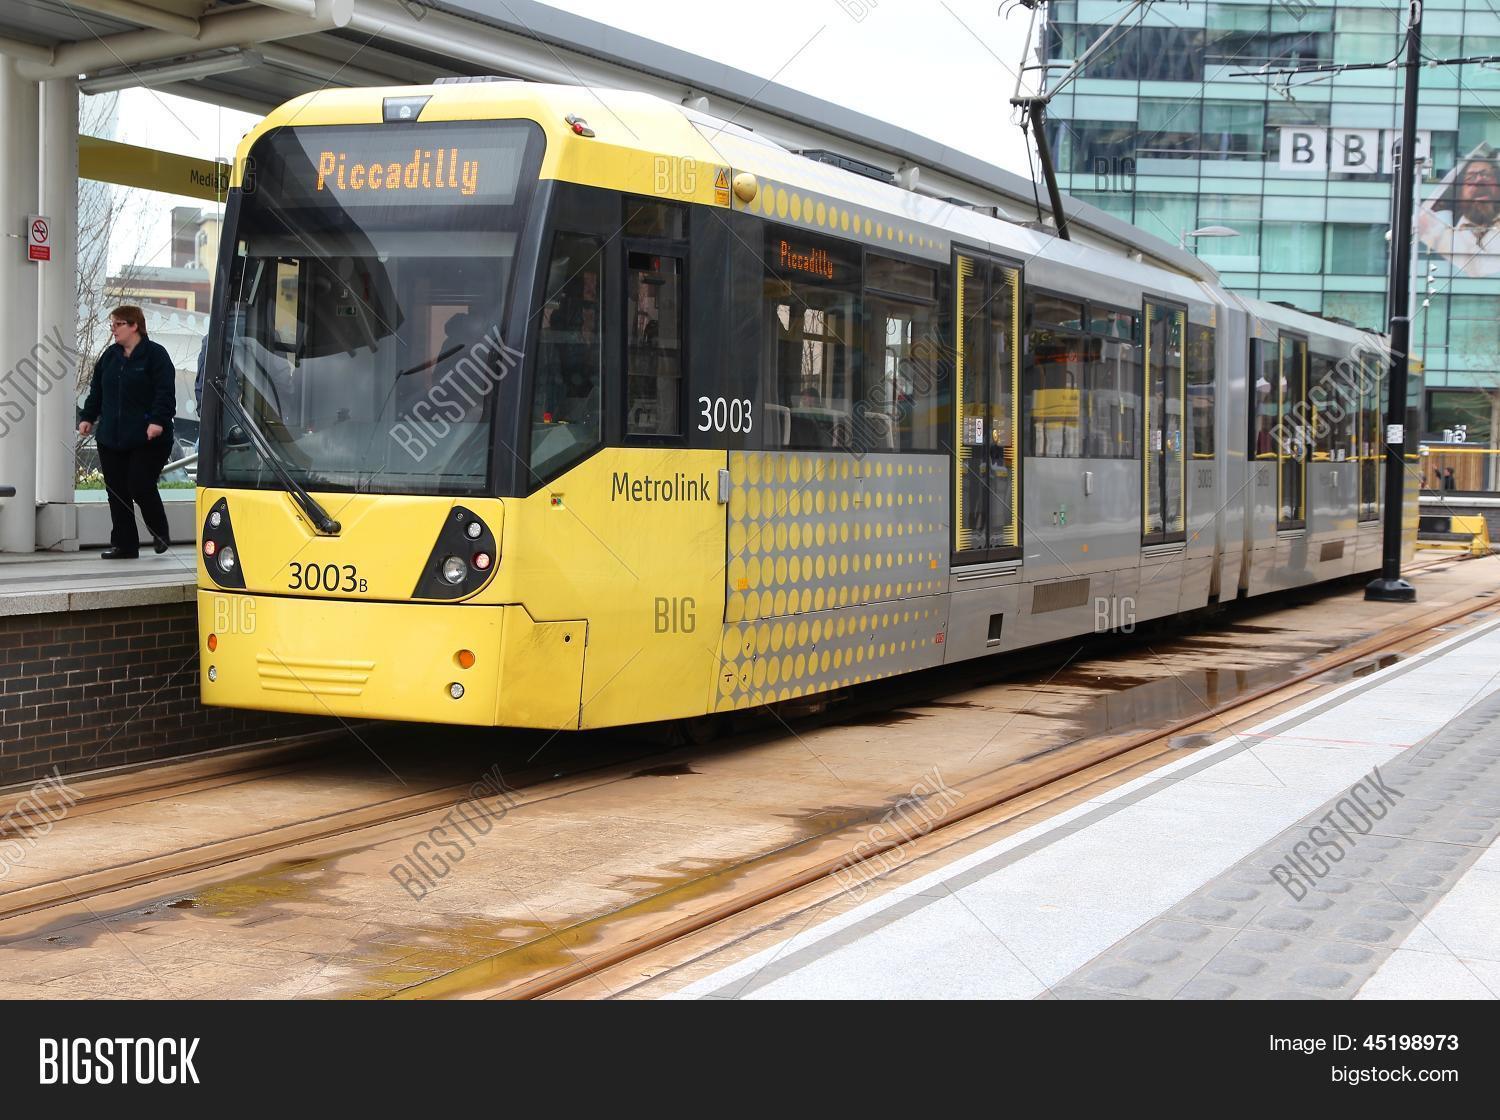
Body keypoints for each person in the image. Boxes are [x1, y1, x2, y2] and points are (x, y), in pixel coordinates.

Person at [77, 306, 176, 559]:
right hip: (111, 436)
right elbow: (97, 390)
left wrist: (157, 421)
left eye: (118, 325)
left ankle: (159, 530)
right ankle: (125, 545)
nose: (113, 330)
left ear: (134, 325)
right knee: (117, 492)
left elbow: (165, 393)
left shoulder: (156, 356)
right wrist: (88, 417)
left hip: (147, 436)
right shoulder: (110, 357)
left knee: (139, 484)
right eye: (111, 325)